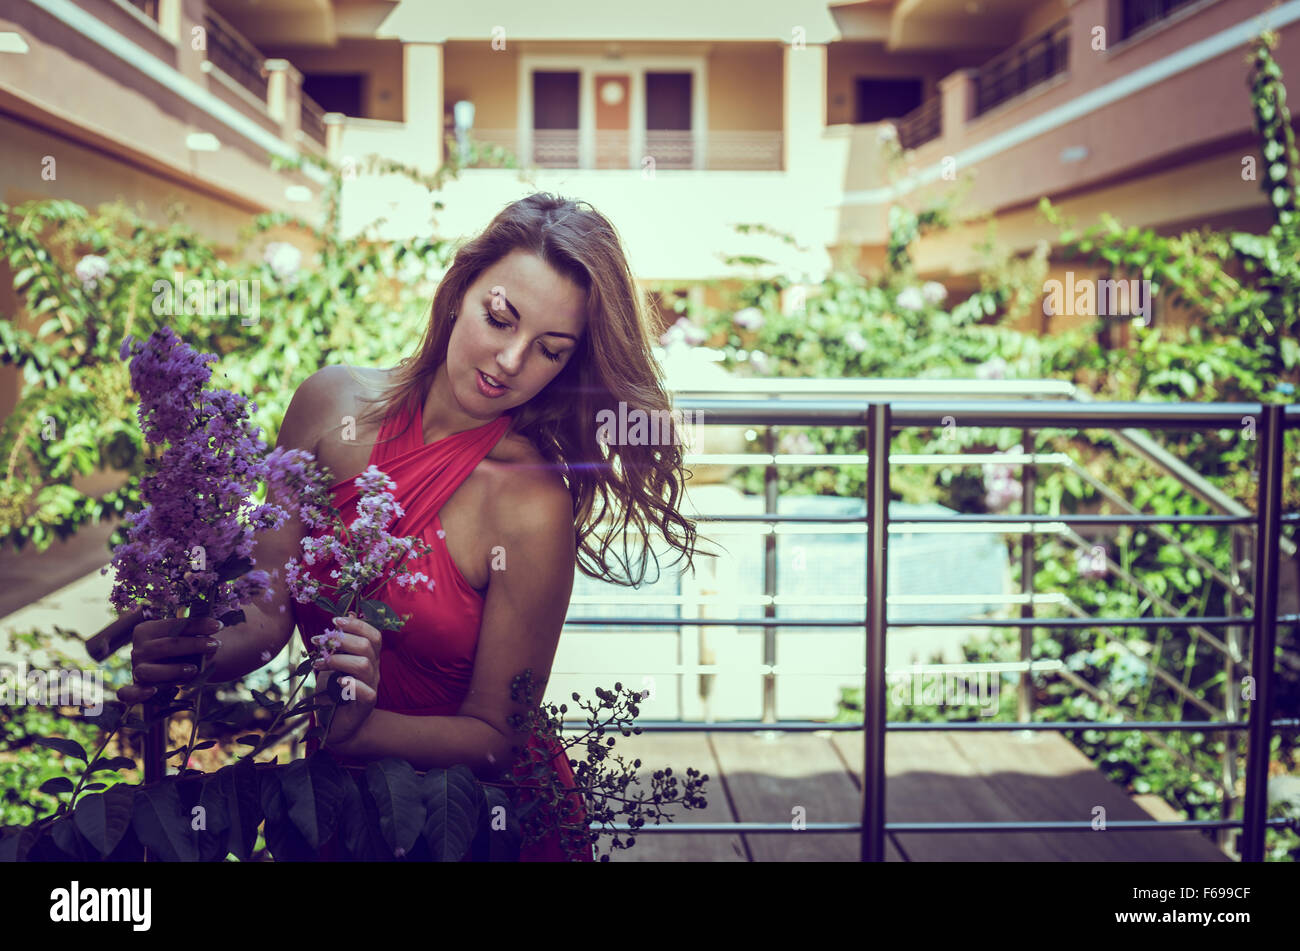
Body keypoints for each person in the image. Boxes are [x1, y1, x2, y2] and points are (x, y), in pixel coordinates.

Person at [118, 192, 702, 861]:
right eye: (500, 317)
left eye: (549, 349)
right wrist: (189, 649)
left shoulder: (533, 504)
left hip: (480, 824)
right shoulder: (327, 403)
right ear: (459, 290)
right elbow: (265, 616)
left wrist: (356, 733)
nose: (511, 361)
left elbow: (493, 737)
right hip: (332, 809)